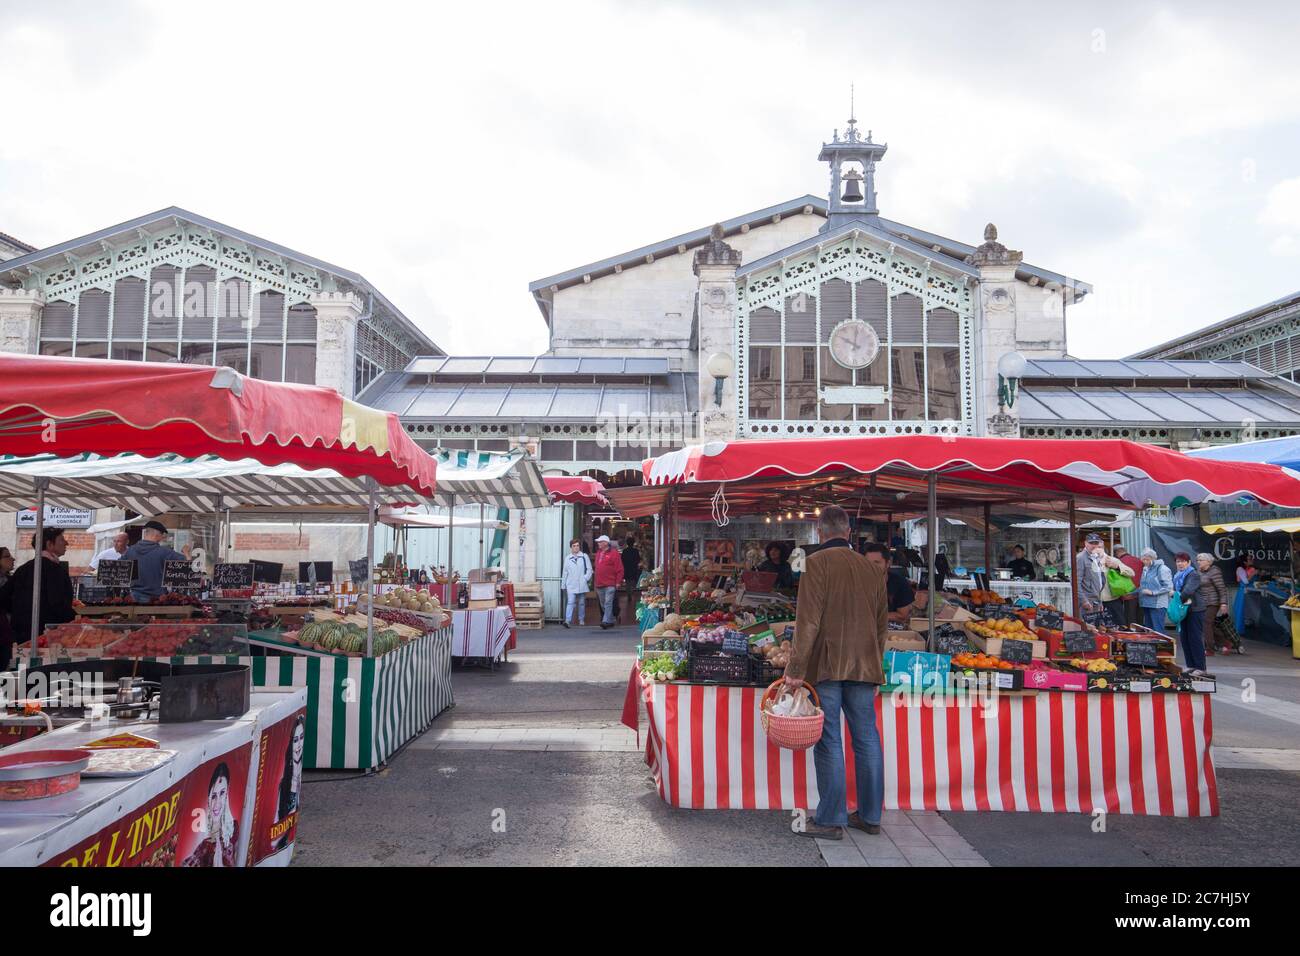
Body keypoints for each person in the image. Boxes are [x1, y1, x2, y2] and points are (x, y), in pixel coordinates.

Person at [783, 505, 887, 841]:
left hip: (827, 664)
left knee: (830, 741)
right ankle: (870, 817)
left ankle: (830, 819)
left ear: (820, 532)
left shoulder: (815, 564)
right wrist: (876, 663)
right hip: (865, 664)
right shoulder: (872, 569)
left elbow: (807, 621)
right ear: (848, 531)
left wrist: (796, 669)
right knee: (867, 737)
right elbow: (882, 625)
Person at [0, 528, 76, 658]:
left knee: (25, 670)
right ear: (49, 544)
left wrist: (20, 613)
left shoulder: (22, 569)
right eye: (62, 540)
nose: (66, 543)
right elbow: (57, 603)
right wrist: (74, 619)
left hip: (21, 634)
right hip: (48, 636)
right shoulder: (55, 571)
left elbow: (3, 598)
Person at [182, 762, 239, 867]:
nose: (217, 803)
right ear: (208, 799)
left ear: (227, 794)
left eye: (222, 793)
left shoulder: (233, 829)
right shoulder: (204, 846)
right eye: (213, 796)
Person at [121, 520, 190, 602]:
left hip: (134, 598)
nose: (162, 538)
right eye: (162, 535)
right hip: (156, 600)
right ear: (157, 535)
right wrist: (186, 552)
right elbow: (187, 565)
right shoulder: (164, 552)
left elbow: (119, 569)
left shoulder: (130, 551)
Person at [1076, 533, 1132, 623]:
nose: (1094, 546)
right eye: (1091, 543)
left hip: (1106, 600)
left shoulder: (1101, 558)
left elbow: (1131, 573)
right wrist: (1084, 601)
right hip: (1089, 600)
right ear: (1086, 543)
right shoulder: (1081, 558)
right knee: (1088, 628)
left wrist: (1117, 566)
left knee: (1102, 628)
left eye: (1096, 543)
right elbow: (1076, 582)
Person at [273, 715, 307, 851]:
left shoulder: (297, 775)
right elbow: (274, 832)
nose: (298, 745)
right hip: (280, 845)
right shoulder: (284, 784)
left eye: (302, 737)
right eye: (295, 740)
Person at [861, 542, 915, 625]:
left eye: (876, 562)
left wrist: (871, 616)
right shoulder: (858, 583)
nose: (871, 566)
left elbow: (902, 615)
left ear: (888, 564)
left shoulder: (900, 584)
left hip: (892, 631)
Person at [1173, 552, 1207, 676]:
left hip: (1195, 610)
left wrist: (1175, 596)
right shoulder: (1178, 575)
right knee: (1185, 638)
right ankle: (1191, 665)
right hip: (1184, 610)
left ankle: (1200, 667)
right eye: (1178, 561)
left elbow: (1188, 591)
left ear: (1188, 563)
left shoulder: (1193, 575)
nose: (1180, 564)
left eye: (1183, 561)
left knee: (1195, 638)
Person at [1195, 553, 1230, 656]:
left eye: (1201, 560)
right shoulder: (1198, 572)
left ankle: (1210, 649)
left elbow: (1221, 588)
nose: (1198, 562)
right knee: (1209, 624)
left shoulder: (1214, 571)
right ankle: (1225, 642)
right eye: (1198, 560)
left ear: (1208, 562)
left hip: (1213, 602)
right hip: (1202, 602)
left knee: (1206, 623)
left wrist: (1223, 603)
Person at [1137, 548, 1174, 632]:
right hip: (1146, 603)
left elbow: (1168, 587)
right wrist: (1130, 592)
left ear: (1153, 558)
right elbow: (1143, 586)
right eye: (1143, 559)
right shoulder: (1146, 569)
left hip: (1158, 605)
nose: (1144, 561)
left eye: (1147, 559)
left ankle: (1163, 645)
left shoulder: (1162, 569)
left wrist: (1153, 592)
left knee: (1158, 630)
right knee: (1149, 630)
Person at [560, 539, 593, 629]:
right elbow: (565, 572)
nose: (576, 547)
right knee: (570, 602)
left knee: (581, 602)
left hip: (581, 583)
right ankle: (567, 620)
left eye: (577, 545)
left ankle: (581, 619)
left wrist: (585, 578)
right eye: (574, 546)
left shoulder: (584, 556)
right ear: (571, 547)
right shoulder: (567, 558)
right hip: (570, 584)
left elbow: (590, 569)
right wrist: (563, 585)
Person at [592, 535, 623, 629]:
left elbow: (620, 568)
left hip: (610, 583)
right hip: (599, 583)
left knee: (608, 603)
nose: (598, 543)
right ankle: (611, 619)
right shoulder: (598, 553)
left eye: (600, 542)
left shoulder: (614, 553)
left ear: (605, 543)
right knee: (603, 603)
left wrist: (618, 582)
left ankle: (605, 621)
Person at [1113, 545, 1144, 628]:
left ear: (1116, 552)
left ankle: (1132, 639)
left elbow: (1117, 580)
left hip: (1128, 594)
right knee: (1140, 619)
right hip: (1141, 594)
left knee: (1130, 620)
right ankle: (1142, 637)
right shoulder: (1139, 560)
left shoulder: (1119, 562)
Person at [1232, 554, 1257, 636]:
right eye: (1249, 559)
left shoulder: (1245, 569)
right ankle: (1239, 629)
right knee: (1241, 610)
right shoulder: (1240, 569)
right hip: (1243, 591)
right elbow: (1245, 581)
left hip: (1246, 591)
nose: (1251, 561)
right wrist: (1253, 574)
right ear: (1244, 561)